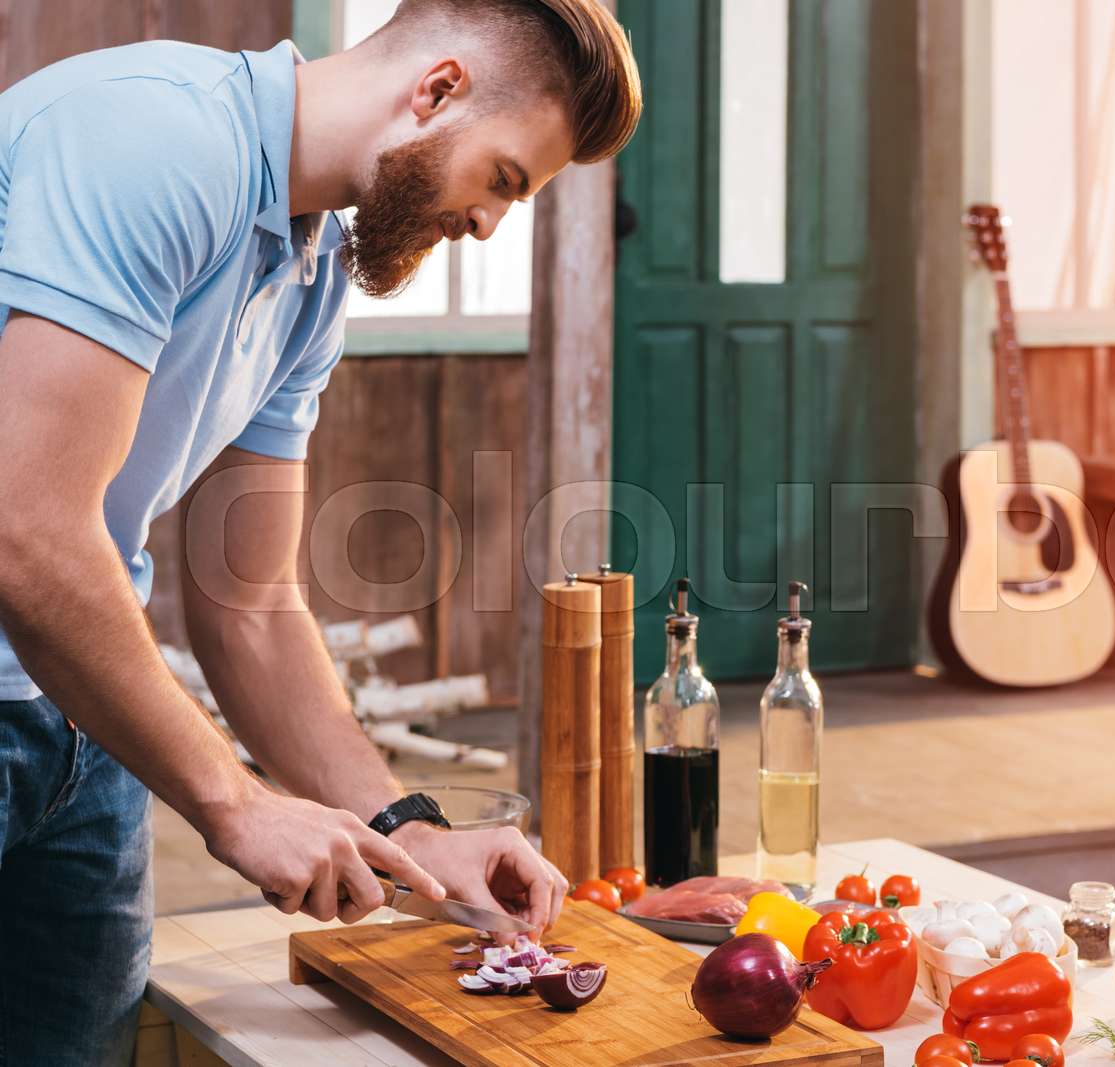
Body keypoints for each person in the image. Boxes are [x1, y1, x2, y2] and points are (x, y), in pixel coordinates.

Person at [0, 0, 641, 1060]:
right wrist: (234, 801)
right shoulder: (157, 140)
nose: (488, 223)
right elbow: (27, 525)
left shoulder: (309, 275)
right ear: (436, 91)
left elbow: (248, 600)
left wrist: (409, 829)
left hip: (82, 720)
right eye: (502, 180)